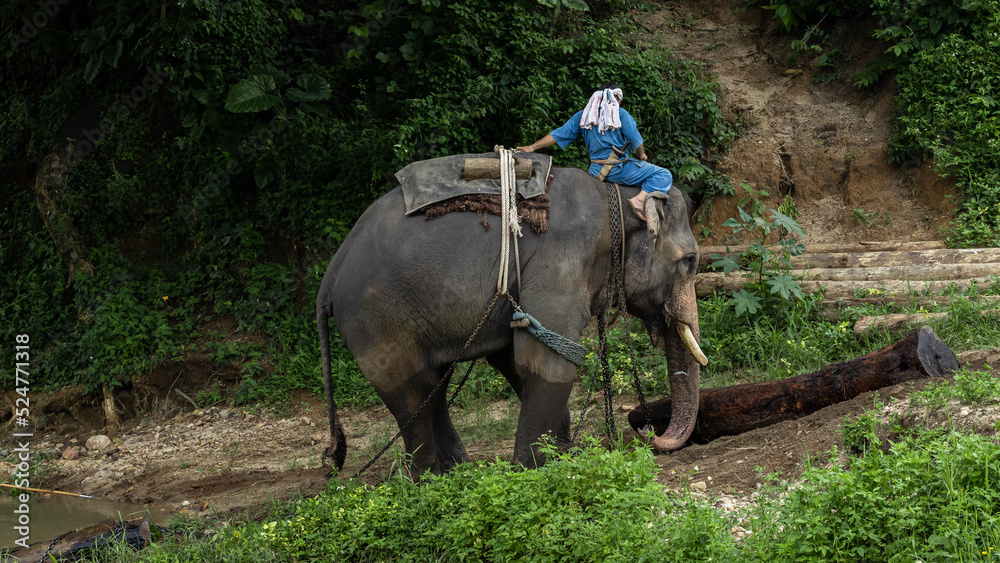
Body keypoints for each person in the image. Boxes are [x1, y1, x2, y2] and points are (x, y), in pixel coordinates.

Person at [515, 83, 673, 221]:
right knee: (663, 174)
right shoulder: (620, 114)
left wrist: (532, 147)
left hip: (596, 171)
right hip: (618, 170)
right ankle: (639, 201)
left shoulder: (584, 115)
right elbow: (636, 140)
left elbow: (559, 134)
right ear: (615, 97)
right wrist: (641, 154)